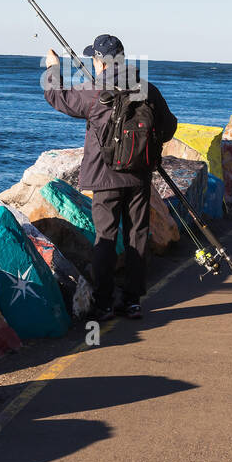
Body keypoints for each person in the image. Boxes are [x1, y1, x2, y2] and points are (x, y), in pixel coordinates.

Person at [42, 34, 177, 322]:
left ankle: (102, 304)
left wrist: (53, 68)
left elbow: (58, 98)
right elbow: (169, 127)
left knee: (105, 237)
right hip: (139, 175)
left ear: (99, 62)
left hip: (105, 177)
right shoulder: (146, 89)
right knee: (137, 235)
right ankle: (131, 302)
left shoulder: (94, 90)